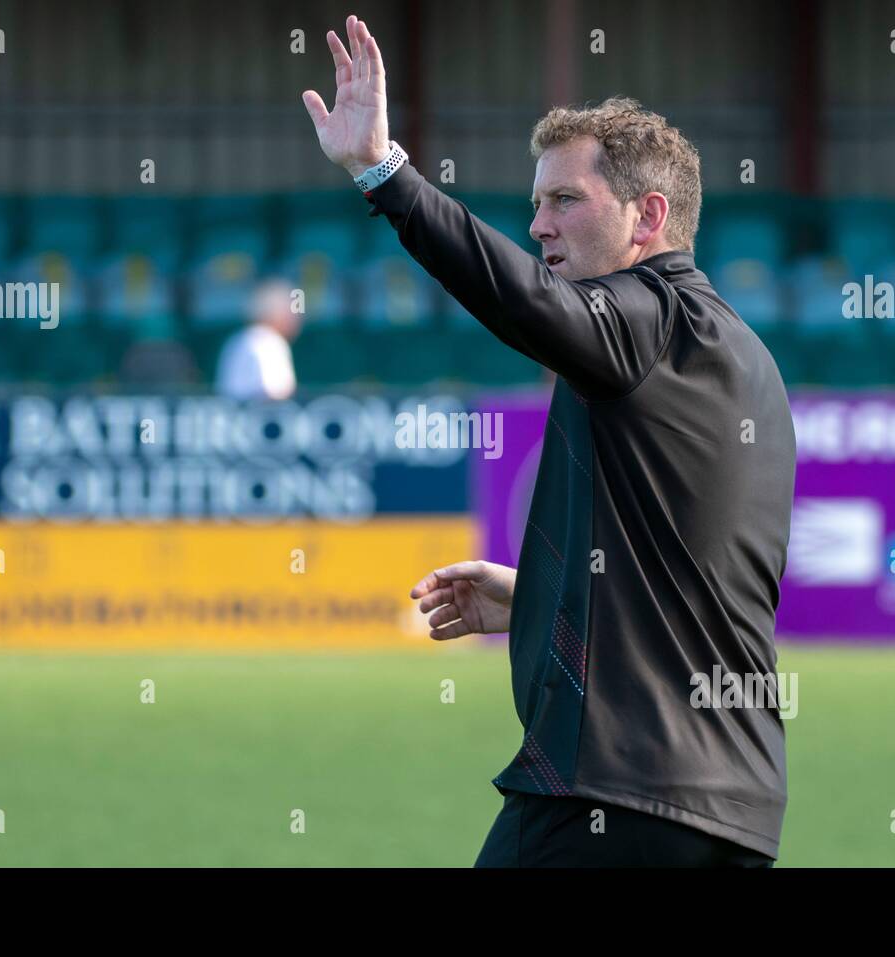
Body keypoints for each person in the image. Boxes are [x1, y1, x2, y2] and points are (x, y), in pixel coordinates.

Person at [304, 15, 795, 867]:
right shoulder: (744, 357)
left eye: (565, 199)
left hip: (609, 796)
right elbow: (681, 575)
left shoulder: (645, 317)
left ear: (649, 216)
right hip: (730, 812)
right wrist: (539, 595)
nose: (538, 226)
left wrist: (385, 173)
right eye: (535, 203)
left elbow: (520, 299)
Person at [214, 279, 301, 400]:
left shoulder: (236, 339)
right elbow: (276, 394)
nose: (295, 320)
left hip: (232, 413)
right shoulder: (270, 342)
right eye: (290, 313)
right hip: (252, 414)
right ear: (277, 313)